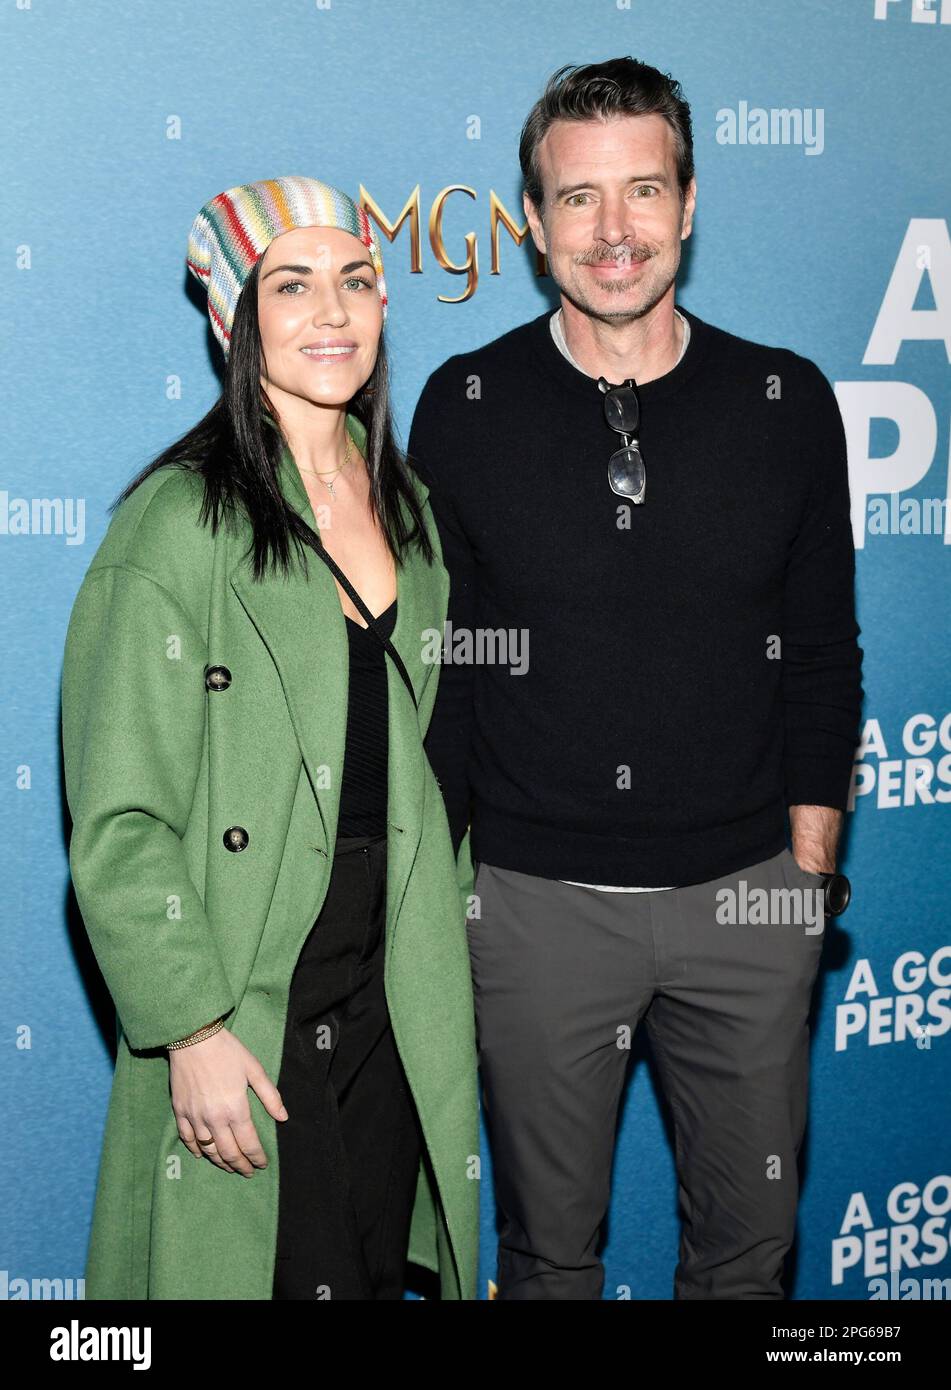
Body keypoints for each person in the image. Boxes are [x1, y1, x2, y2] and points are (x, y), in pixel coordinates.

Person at [408, 59, 864, 1300]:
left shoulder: (787, 403)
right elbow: (444, 671)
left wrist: (806, 868)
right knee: (548, 1260)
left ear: (692, 202)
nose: (615, 233)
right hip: (534, 908)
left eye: (643, 192)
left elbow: (822, 652)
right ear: (534, 220)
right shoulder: (465, 405)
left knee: (749, 1258)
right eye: (578, 200)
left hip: (747, 905)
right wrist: (448, 899)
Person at [62, 176, 478, 1300]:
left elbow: (432, 771)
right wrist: (189, 1026)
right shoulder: (176, 522)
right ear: (235, 320)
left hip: (391, 996)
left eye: (355, 281)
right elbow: (119, 819)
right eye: (290, 285)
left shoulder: (413, 512)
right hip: (252, 994)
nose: (331, 312)